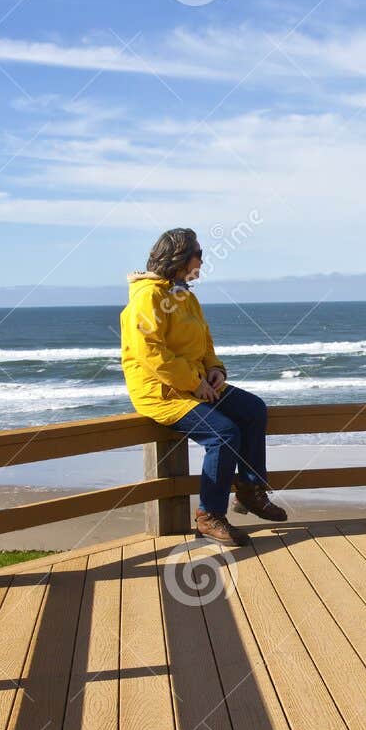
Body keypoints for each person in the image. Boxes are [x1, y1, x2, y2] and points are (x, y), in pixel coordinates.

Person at [119, 227, 287, 546]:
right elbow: (150, 352)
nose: (202, 260)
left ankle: (250, 490)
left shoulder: (183, 295)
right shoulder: (148, 296)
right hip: (162, 392)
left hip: (195, 385)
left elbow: (204, 342)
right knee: (223, 433)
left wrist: (214, 370)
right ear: (180, 257)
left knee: (252, 410)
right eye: (199, 254)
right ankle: (209, 515)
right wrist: (193, 383)